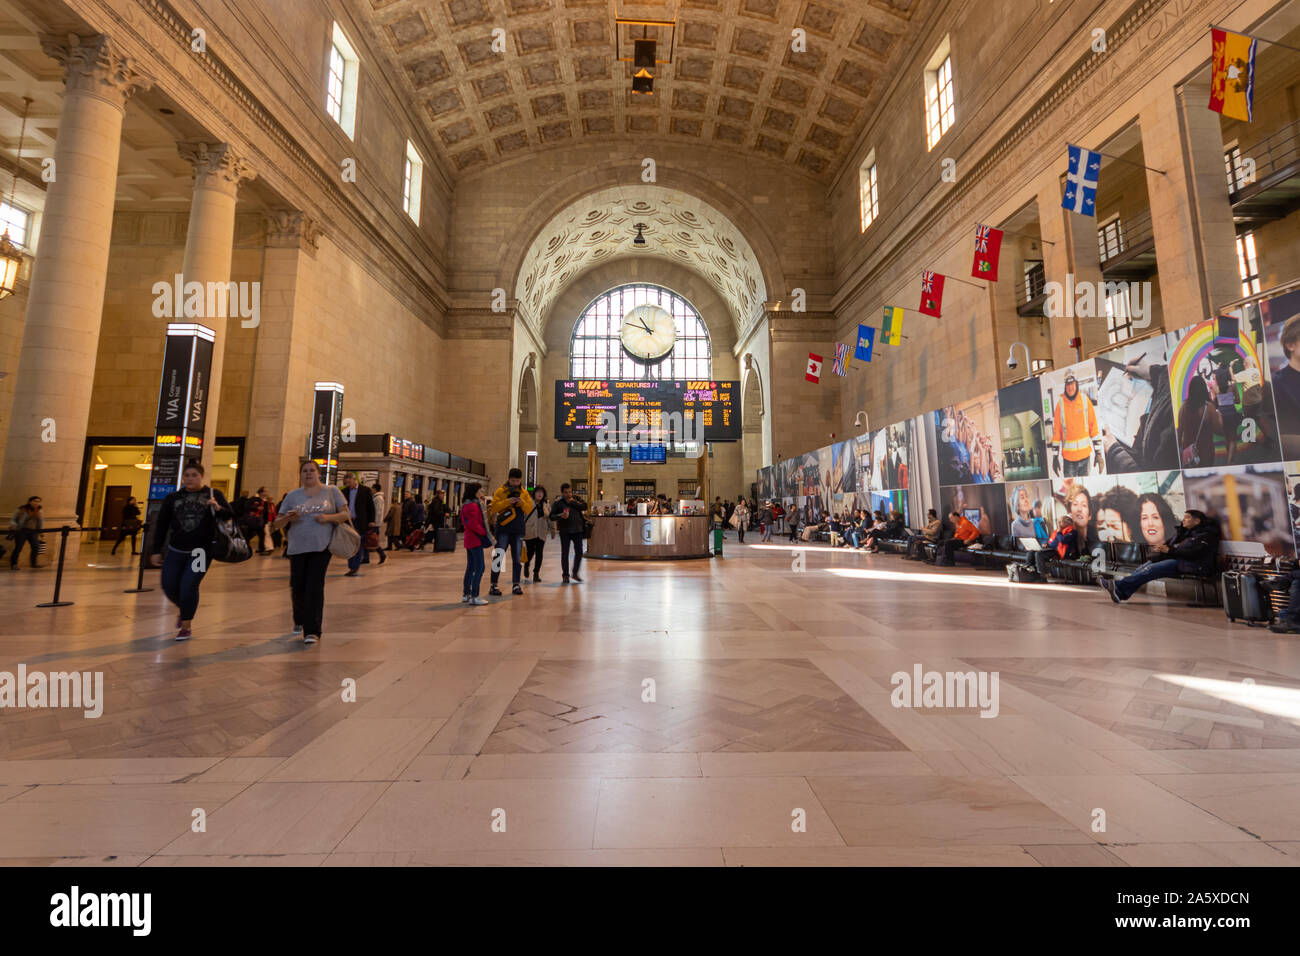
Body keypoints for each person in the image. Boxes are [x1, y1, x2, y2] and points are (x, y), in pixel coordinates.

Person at [148, 461, 231, 640]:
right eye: (187, 475)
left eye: (194, 475)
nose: (190, 479)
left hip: (201, 551)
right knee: (168, 584)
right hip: (176, 549)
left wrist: (218, 508)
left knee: (188, 586)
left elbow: (230, 515)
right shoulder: (172, 498)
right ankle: (185, 607)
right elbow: (161, 525)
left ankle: (186, 625)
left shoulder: (213, 494)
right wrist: (156, 550)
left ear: (201, 477)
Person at [273, 460, 351, 644]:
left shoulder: (331, 491)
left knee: (314, 587)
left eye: (312, 470)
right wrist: (287, 518)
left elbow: (346, 514)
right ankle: (299, 619)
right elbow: (276, 524)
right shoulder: (292, 496)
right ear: (300, 475)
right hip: (297, 546)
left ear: (318, 473)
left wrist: (328, 518)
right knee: (297, 586)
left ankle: (312, 630)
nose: (308, 474)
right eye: (305, 471)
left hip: (321, 546)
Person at [1100, 510, 1221, 603]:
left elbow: (1194, 552)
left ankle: (1118, 587)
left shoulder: (1206, 535)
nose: (1183, 520)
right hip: (1179, 561)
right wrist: (1162, 549)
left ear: (1197, 521)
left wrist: (1170, 550)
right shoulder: (1183, 533)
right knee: (1143, 568)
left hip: (1195, 565)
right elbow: (1170, 546)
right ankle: (1120, 593)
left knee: (1151, 569)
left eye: (1187, 518)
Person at [488, 467, 534, 596]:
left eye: (517, 481)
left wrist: (520, 503)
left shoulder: (524, 493)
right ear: (508, 479)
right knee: (499, 556)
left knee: (517, 559)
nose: (515, 483)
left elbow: (529, 509)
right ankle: (493, 585)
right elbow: (494, 508)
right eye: (513, 480)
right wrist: (508, 501)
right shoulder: (500, 491)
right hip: (502, 529)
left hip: (518, 530)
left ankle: (516, 585)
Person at [1050, 372, 1102, 476]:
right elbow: (1057, 432)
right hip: (1069, 460)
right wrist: (1055, 456)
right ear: (1065, 386)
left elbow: (1093, 427)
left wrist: (1098, 453)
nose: (1070, 387)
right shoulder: (1060, 405)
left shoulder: (1084, 400)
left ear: (1076, 384)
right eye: (1068, 385)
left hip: (1085, 457)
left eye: (1072, 384)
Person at [1177, 374, 1223, 468]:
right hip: (1206, 452)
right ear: (1204, 389)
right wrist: (1219, 415)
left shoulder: (1183, 407)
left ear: (1190, 390)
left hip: (1188, 454)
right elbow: (1219, 430)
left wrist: (1179, 451)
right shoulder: (1209, 408)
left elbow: (1179, 432)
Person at [550, 483, 588, 584]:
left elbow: (585, 506)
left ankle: (575, 573)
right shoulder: (558, 503)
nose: (569, 494)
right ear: (562, 493)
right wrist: (560, 515)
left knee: (579, 552)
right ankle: (565, 575)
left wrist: (573, 502)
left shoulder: (576, 499)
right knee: (565, 553)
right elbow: (551, 516)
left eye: (570, 492)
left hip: (578, 530)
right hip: (565, 531)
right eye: (566, 492)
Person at [459, 482, 489, 605]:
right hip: (475, 540)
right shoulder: (473, 506)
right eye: (480, 490)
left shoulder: (465, 504)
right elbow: (474, 523)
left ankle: (466, 594)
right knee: (480, 567)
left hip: (469, 539)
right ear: (475, 491)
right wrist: (484, 532)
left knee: (470, 567)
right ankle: (475, 596)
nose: (481, 492)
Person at [341, 472, 375, 576]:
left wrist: (372, 520)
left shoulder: (365, 490)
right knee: (350, 544)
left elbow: (371, 507)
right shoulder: (344, 491)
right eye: (346, 483)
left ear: (354, 479)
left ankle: (354, 567)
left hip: (360, 521)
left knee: (358, 543)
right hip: (348, 521)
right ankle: (352, 566)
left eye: (349, 482)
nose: (348, 484)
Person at [522, 486, 554, 582]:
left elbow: (550, 518)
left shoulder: (546, 505)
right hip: (530, 531)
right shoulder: (528, 503)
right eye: (538, 492)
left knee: (539, 553)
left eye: (542, 492)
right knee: (530, 552)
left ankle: (536, 573)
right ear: (534, 493)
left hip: (541, 531)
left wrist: (552, 529)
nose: (540, 494)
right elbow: (523, 516)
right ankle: (527, 565)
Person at [8, 495, 43, 569]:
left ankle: (34, 563)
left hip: (33, 531)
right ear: (30, 501)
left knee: (35, 547)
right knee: (18, 548)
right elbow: (13, 519)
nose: (36, 503)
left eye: (38, 502)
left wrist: (40, 531)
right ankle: (14, 564)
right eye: (34, 501)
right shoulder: (22, 509)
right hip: (21, 531)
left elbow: (40, 521)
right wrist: (14, 525)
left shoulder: (39, 510)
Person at [369, 482, 388, 565]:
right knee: (370, 539)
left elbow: (378, 511)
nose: (371, 490)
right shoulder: (376, 497)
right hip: (375, 522)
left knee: (373, 540)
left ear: (375, 489)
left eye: (372, 488)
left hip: (375, 523)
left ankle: (382, 554)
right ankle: (366, 558)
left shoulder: (378, 498)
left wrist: (374, 521)